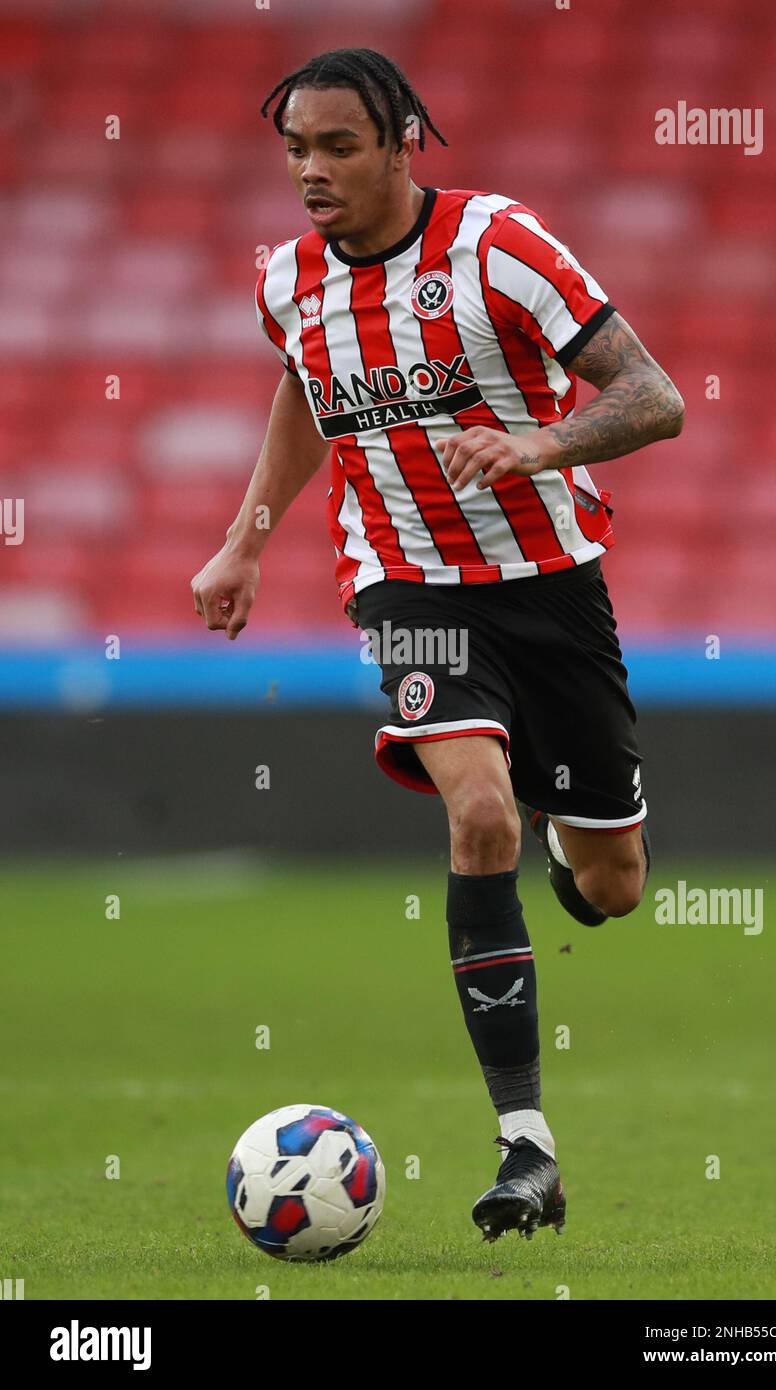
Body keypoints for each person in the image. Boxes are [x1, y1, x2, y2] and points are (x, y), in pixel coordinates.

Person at [191, 47, 685, 1243]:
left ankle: (581, 850)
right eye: (295, 149)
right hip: (409, 583)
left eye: (338, 147)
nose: (311, 171)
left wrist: (539, 446)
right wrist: (246, 539)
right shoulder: (289, 282)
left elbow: (654, 395)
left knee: (611, 890)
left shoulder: (497, 247)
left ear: (404, 143)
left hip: (555, 588)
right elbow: (309, 394)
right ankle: (527, 1144)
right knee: (477, 814)